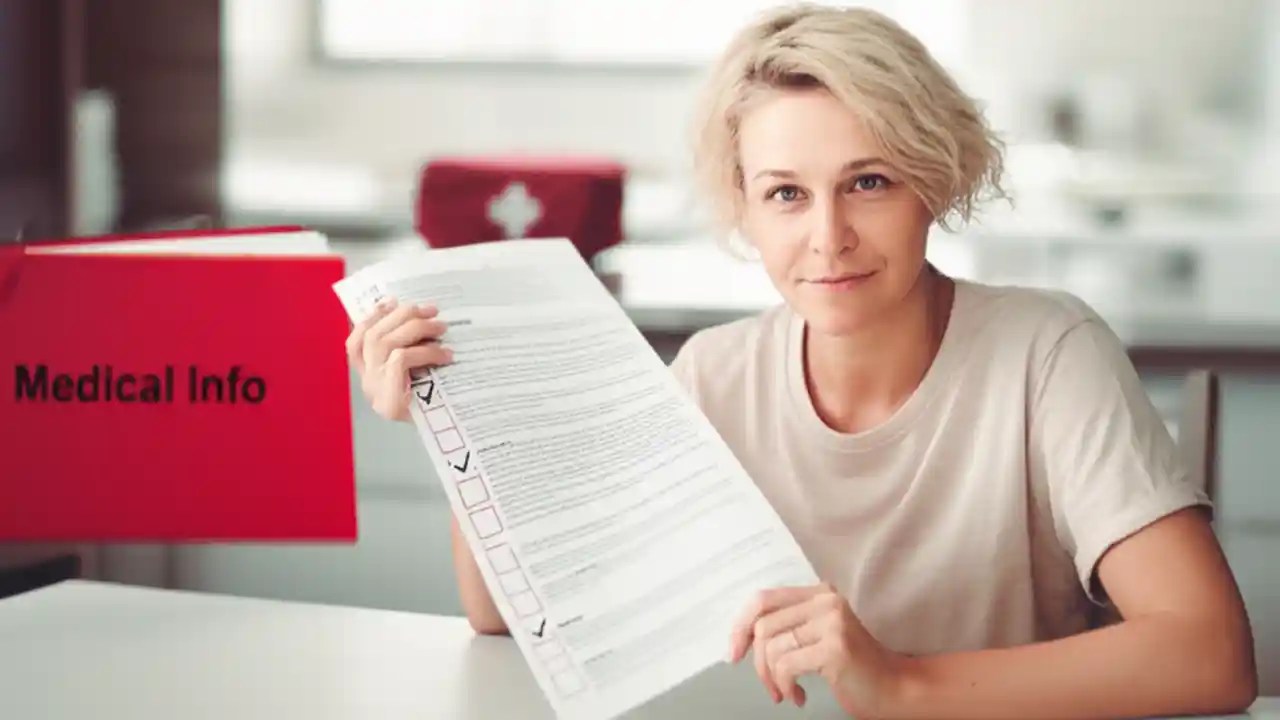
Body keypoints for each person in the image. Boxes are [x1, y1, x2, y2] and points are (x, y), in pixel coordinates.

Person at [345, 3, 1258, 718]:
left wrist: (895, 687)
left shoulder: (1049, 354)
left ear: (932, 179)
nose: (829, 238)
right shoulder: (713, 375)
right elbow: (509, 615)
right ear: (744, 207)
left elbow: (1212, 655)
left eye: (868, 181)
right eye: (786, 194)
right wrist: (452, 405)